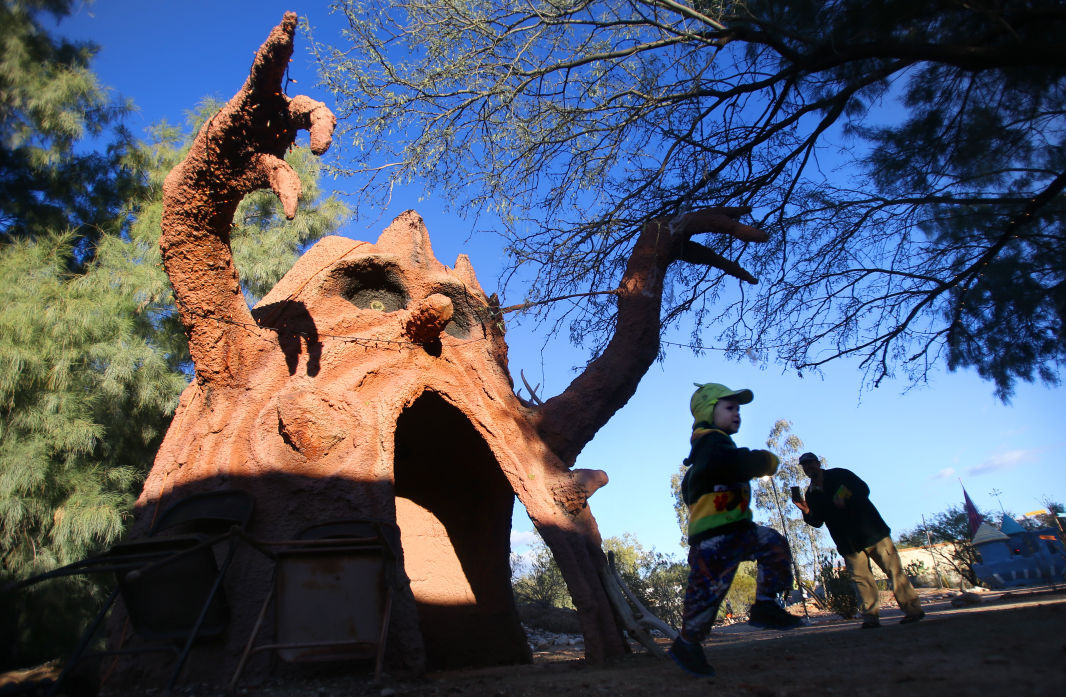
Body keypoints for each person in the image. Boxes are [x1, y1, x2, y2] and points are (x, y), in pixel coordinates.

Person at [668, 382, 801, 677]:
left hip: (736, 529)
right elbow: (729, 464)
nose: (737, 413)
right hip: (714, 536)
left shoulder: (716, 445)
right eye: (730, 408)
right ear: (707, 412)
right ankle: (687, 643)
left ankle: (765, 604)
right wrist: (761, 461)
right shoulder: (710, 443)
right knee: (708, 594)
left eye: (738, 409)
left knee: (772, 544)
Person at [793, 452, 925, 629]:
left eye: (810, 463)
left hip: (873, 533)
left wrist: (843, 496)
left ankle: (913, 610)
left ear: (818, 463)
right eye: (804, 466)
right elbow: (817, 521)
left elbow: (862, 488)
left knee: (894, 572)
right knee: (861, 580)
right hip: (848, 544)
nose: (808, 468)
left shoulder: (840, 475)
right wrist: (805, 510)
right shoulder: (811, 494)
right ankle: (870, 617)